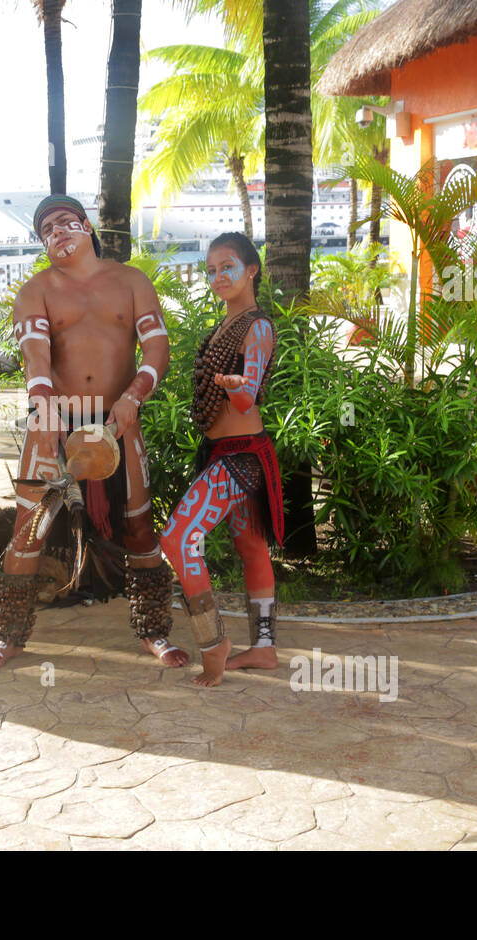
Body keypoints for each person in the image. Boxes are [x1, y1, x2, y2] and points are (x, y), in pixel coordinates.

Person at [0, 194, 188, 672]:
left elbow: (157, 348)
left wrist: (133, 396)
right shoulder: (36, 290)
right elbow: (37, 358)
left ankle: (153, 630)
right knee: (29, 530)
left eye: (65, 222)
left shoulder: (131, 281)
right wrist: (45, 410)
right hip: (53, 413)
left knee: (138, 524)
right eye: (46, 230)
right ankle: (9, 636)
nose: (57, 232)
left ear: (87, 225)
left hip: (118, 418)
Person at [159, 232, 284, 687]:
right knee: (251, 548)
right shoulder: (224, 327)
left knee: (177, 539)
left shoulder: (258, 327)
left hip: (241, 459)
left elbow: (249, 397)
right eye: (210, 270)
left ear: (251, 270)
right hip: (225, 454)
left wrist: (235, 386)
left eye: (226, 267)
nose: (217, 277)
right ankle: (265, 650)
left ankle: (213, 643)